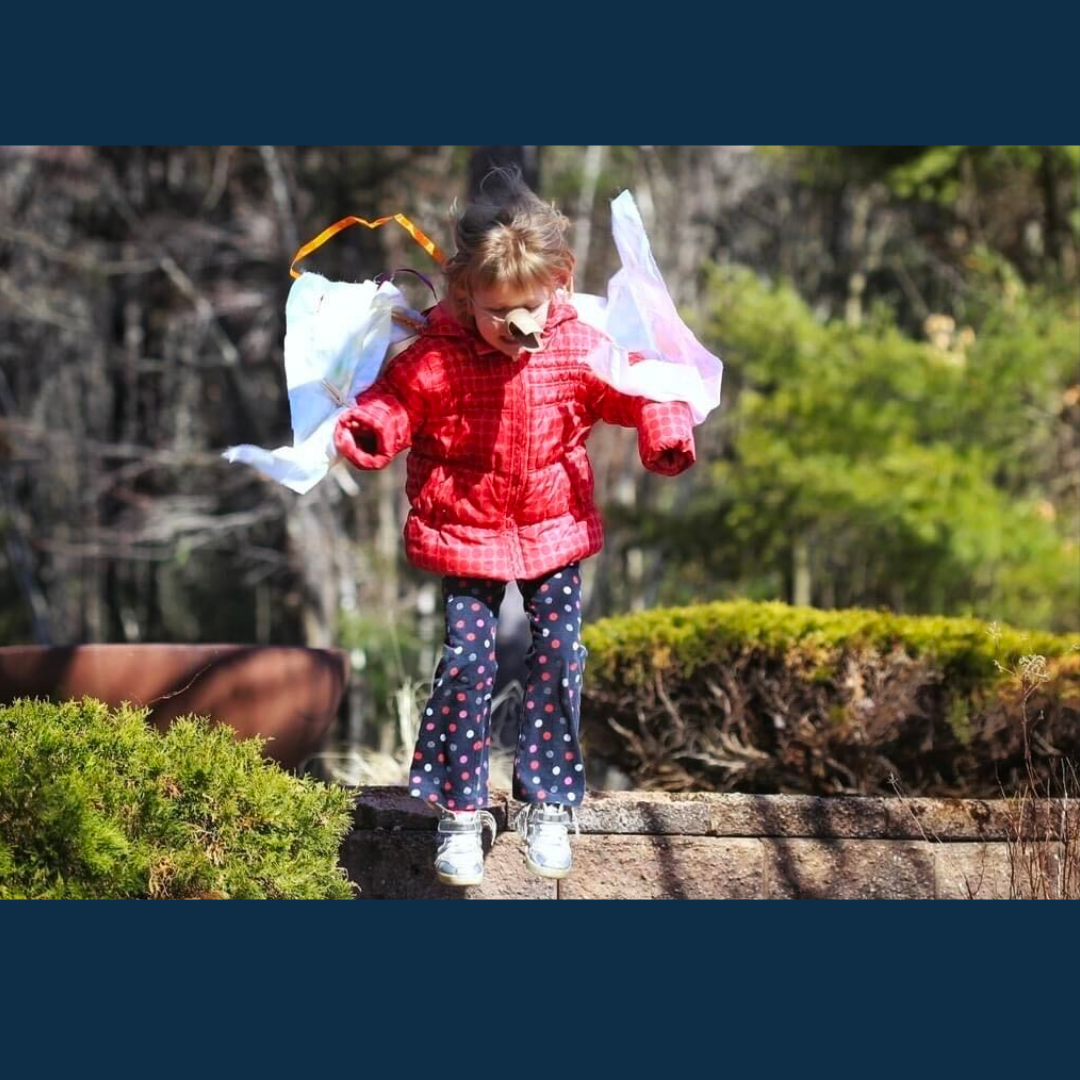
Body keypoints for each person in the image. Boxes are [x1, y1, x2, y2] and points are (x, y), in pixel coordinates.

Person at [333, 168, 696, 886]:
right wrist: (372, 430)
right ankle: (460, 810)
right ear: (465, 293)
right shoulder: (438, 357)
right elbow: (394, 403)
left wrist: (665, 428)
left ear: (558, 282)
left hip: (552, 522)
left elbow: (640, 383)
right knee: (468, 660)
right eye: (498, 313)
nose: (516, 328)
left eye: (529, 308)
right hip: (466, 527)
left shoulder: (576, 344)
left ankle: (549, 800)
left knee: (558, 652)